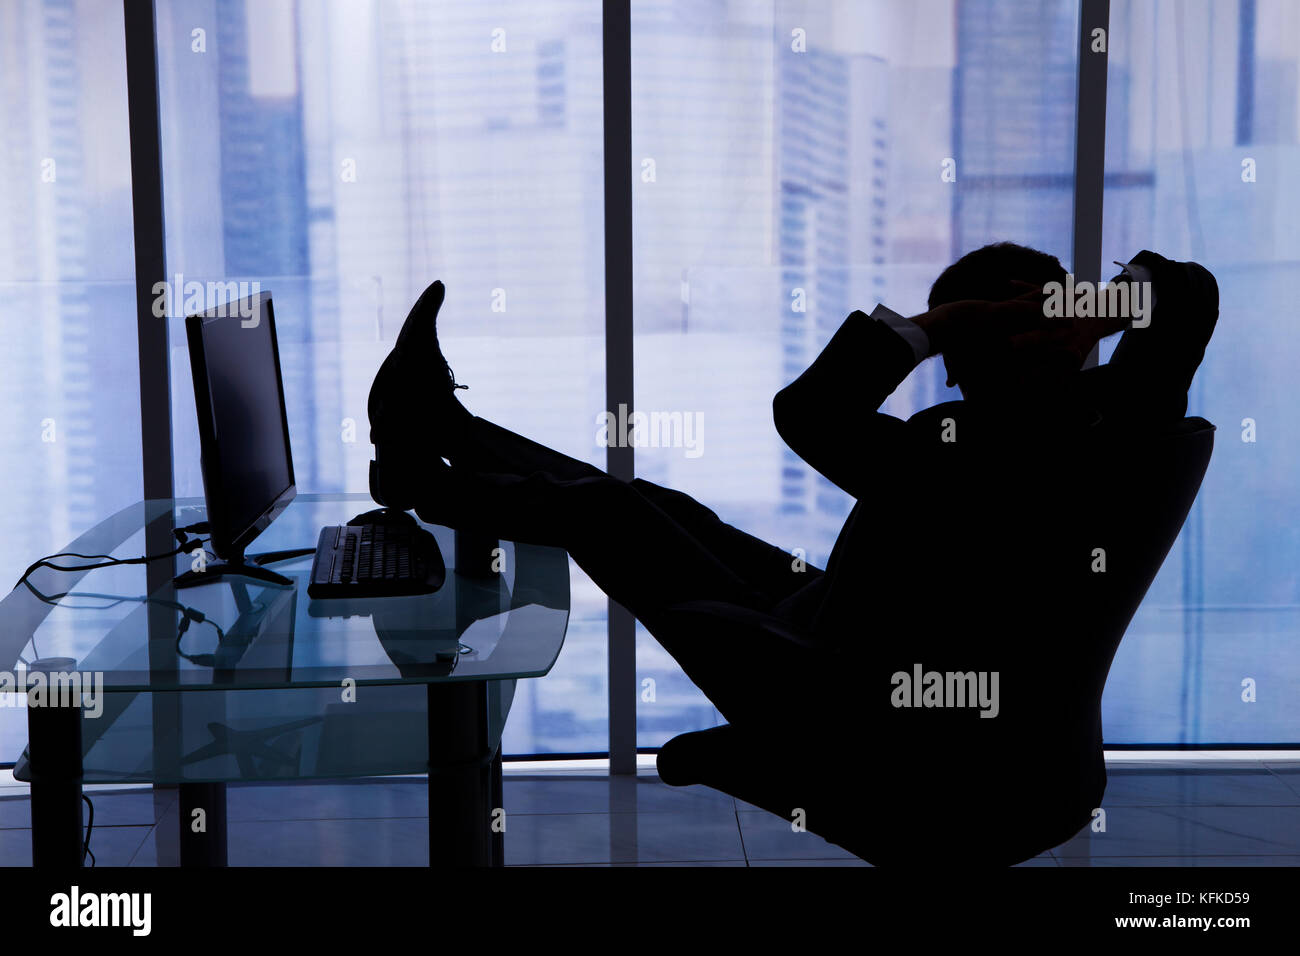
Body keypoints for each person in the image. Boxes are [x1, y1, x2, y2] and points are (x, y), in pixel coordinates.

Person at [367, 243, 1218, 859]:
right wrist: (1083, 309)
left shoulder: (955, 447)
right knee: (650, 505)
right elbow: (1187, 299)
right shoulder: (1122, 425)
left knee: (608, 516)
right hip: (924, 683)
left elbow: (805, 412)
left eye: (1039, 319)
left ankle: (424, 469)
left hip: (867, 719)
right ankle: (441, 433)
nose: (1029, 340)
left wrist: (940, 324)